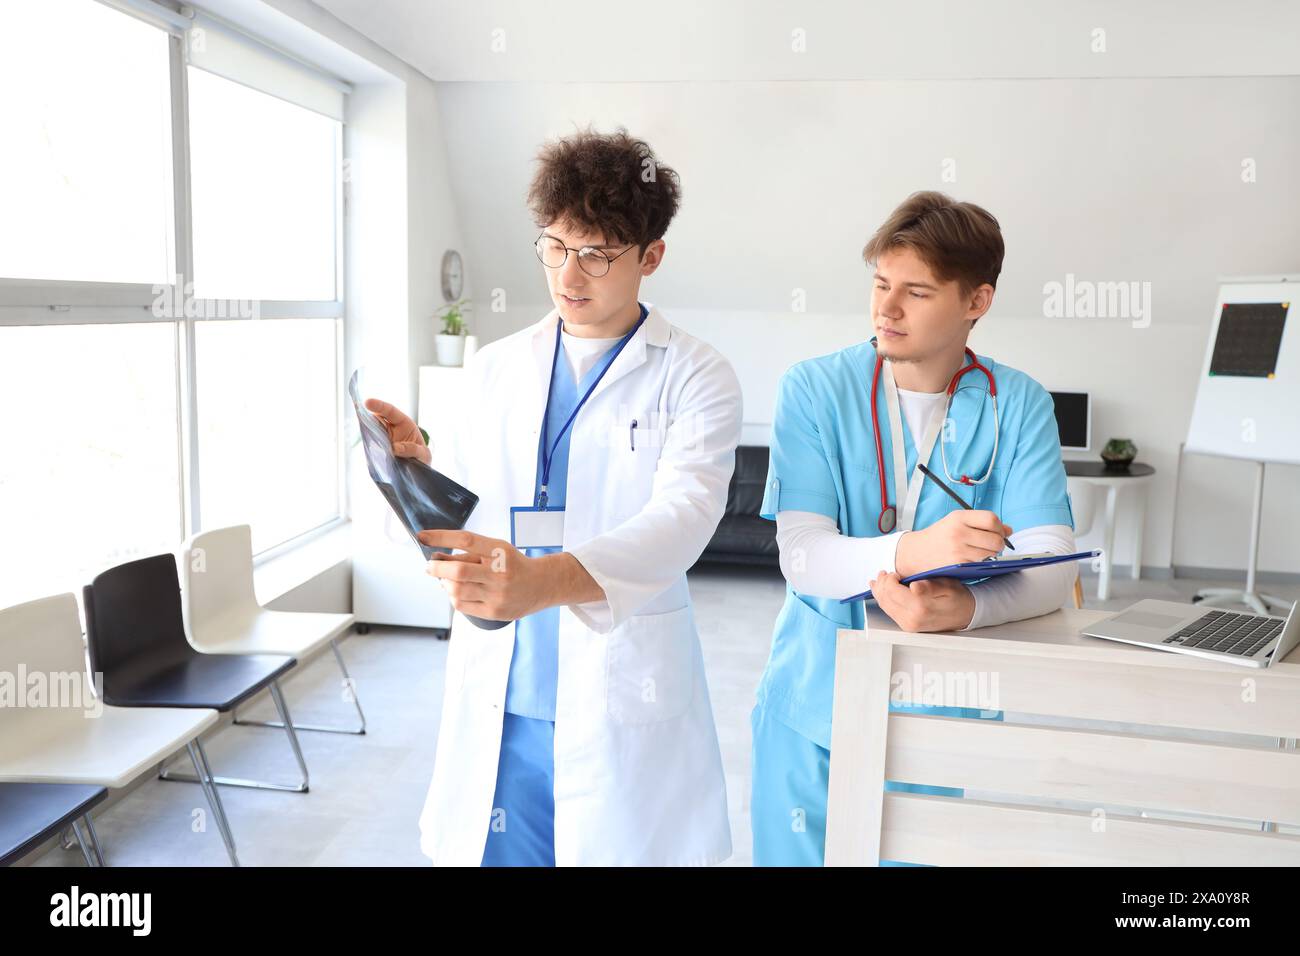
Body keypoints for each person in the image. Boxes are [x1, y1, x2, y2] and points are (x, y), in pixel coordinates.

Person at [367, 128, 741, 866]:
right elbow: (465, 519)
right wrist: (416, 472)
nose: (572, 274)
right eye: (556, 247)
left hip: (618, 683)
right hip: (504, 692)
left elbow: (684, 518)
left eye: (598, 254)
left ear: (651, 256)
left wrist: (543, 581)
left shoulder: (695, 374)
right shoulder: (496, 365)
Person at [751, 191, 1078, 866]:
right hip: (815, 707)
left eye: (917, 292)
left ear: (976, 302)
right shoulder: (815, 390)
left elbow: (1054, 563)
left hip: (943, 715)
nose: (886, 309)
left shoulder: (1018, 404)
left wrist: (967, 607)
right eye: (880, 285)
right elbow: (804, 558)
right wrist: (919, 550)